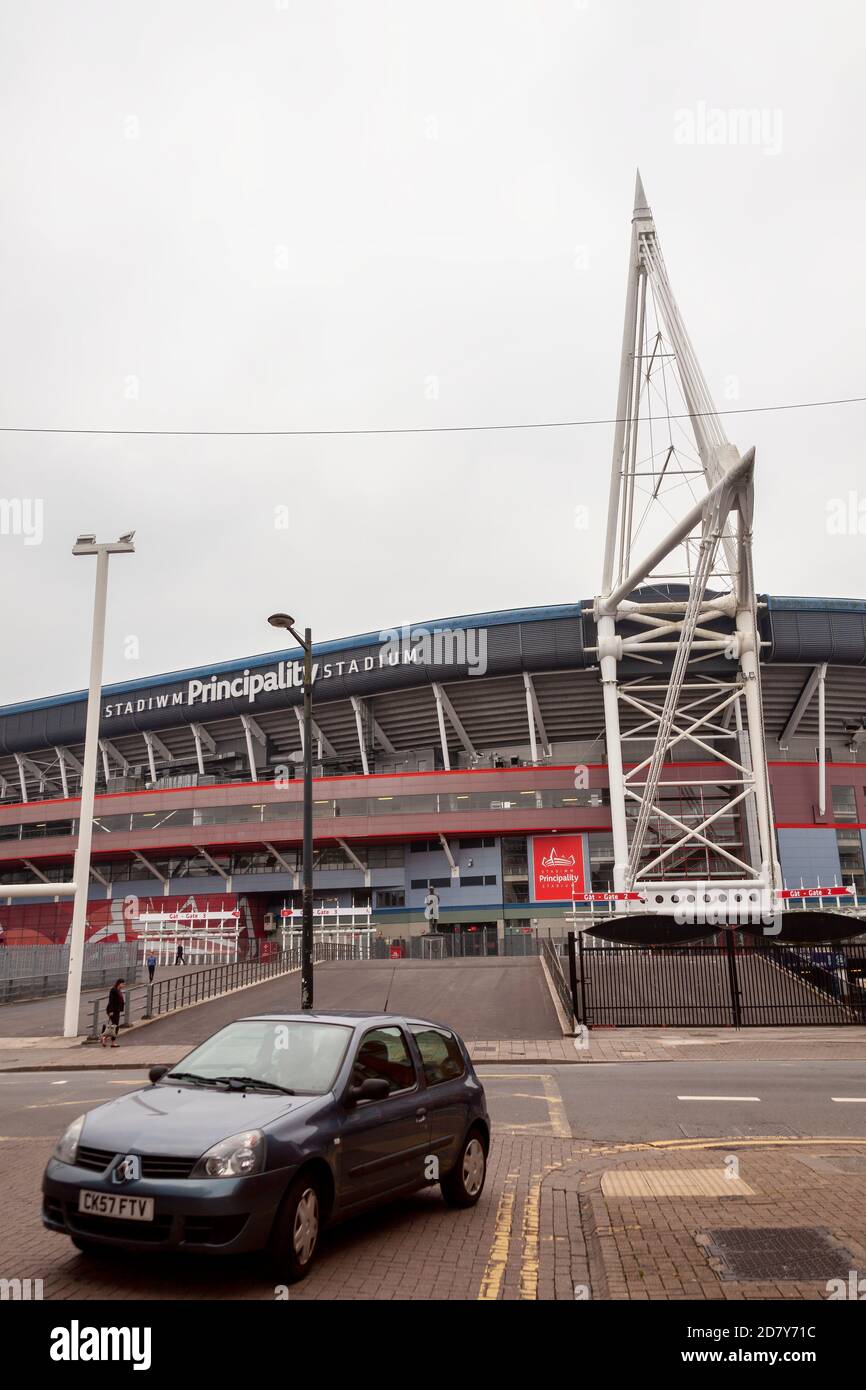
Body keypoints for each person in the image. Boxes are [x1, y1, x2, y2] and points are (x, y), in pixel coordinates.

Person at [100, 978, 125, 1049]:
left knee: (114, 1026)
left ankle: (104, 1037)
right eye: (122, 984)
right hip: (112, 1010)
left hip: (117, 1010)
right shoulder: (113, 990)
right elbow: (110, 1001)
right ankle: (111, 1041)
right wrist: (110, 1011)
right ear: (118, 983)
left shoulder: (118, 990)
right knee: (115, 1026)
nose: (123, 985)